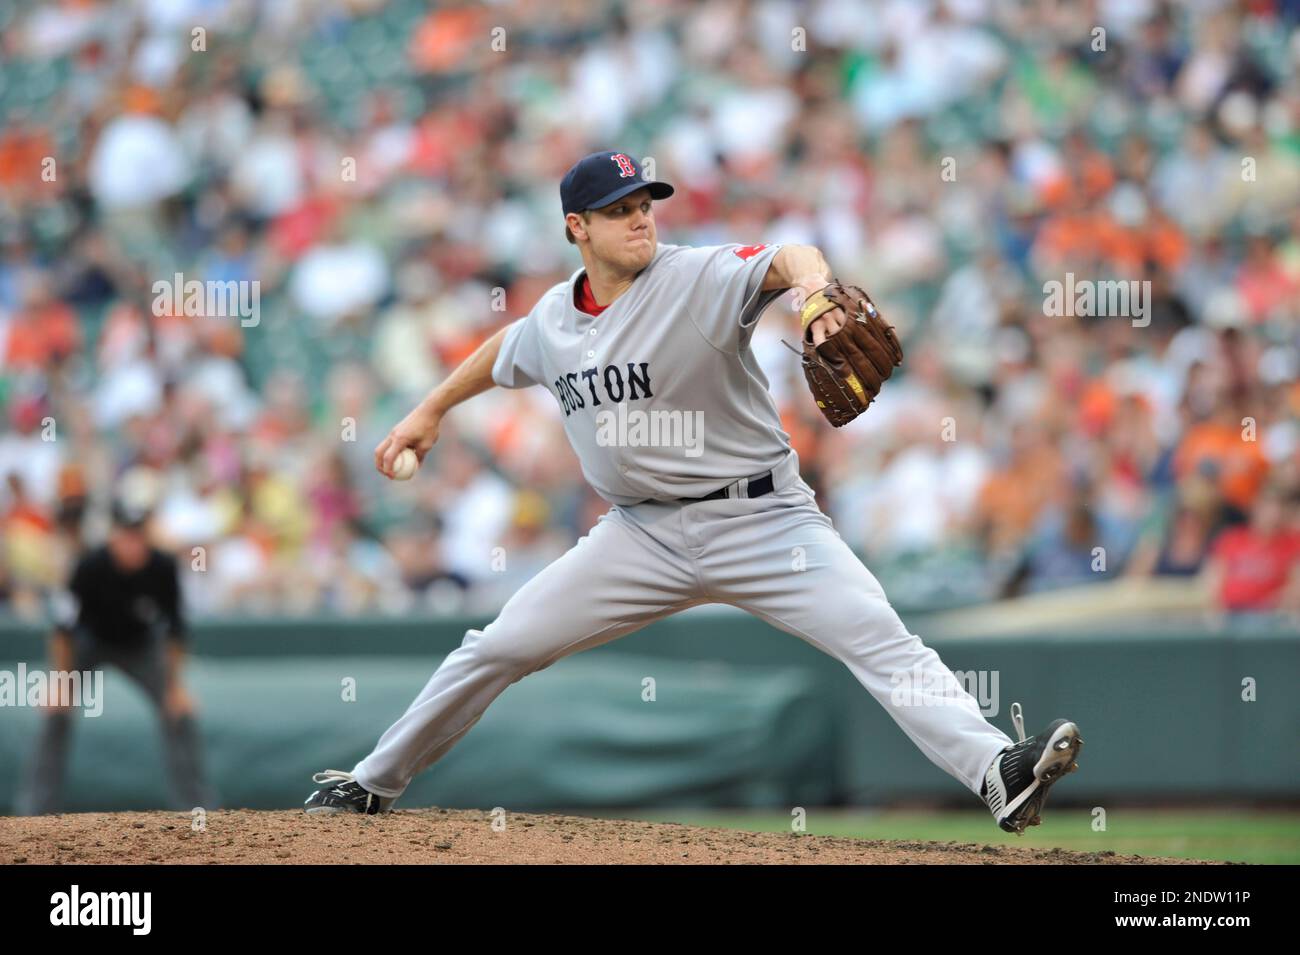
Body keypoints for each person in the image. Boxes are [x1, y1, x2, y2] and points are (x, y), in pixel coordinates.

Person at [304, 151, 1083, 833]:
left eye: (646, 203)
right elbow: (508, 347)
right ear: (577, 227)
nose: (640, 219)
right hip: (637, 537)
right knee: (497, 646)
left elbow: (786, 256)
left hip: (765, 520)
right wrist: (429, 410)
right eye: (619, 211)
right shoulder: (552, 318)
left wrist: (814, 291)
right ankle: (371, 784)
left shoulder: (694, 277)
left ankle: (998, 773)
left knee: (879, 639)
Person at [15, 498, 216, 815]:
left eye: (139, 534)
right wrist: (60, 681)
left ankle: (198, 810)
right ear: (113, 534)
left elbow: (176, 631)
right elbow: (62, 629)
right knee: (55, 712)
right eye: (126, 534)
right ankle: (35, 813)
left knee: (180, 713)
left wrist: (174, 686)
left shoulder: (162, 568)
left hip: (141, 647)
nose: (133, 543)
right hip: (89, 643)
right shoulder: (90, 566)